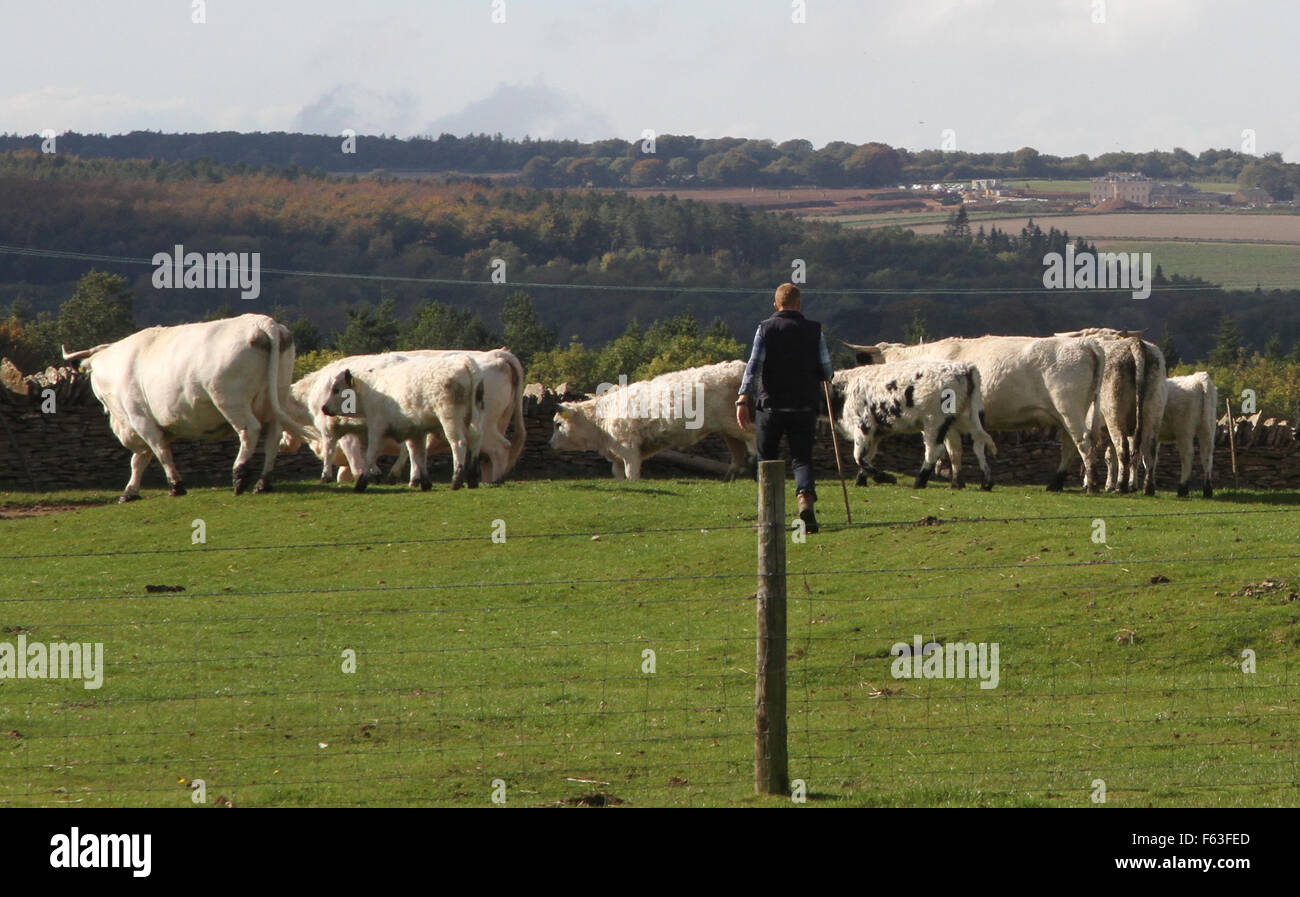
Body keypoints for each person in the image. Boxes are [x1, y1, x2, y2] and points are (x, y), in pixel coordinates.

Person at [736, 283, 834, 533]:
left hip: (771, 407)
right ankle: (805, 503)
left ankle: (769, 516)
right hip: (804, 406)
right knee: (802, 459)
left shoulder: (766, 329)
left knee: (766, 459)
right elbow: (827, 371)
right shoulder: (815, 330)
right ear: (799, 305)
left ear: (776, 305)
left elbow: (754, 367)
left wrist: (743, 398)